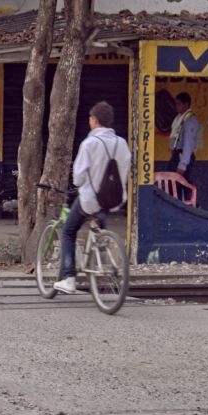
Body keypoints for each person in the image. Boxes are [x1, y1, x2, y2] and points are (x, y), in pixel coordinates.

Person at [53, 101, 132, 294]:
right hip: (114, 200)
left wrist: (84, 183)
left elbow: (79, 177)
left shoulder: (89, 143)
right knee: (98, 224)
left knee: (68, 232)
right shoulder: (122, 143)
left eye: (90, 118)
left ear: (94, 120)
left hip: (90, 200)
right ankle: (101, 254)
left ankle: (69, 278)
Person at [166, 92, 202, 195]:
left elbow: (188, 144)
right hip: (177, 155)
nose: (176, 107)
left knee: (175, 183)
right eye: (176, 104)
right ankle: (189, 205)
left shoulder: (190, 120)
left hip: (183, 157)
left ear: (186, 105)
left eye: (179, 104)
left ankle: (192, 206)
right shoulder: (179, 118)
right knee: (176, 185)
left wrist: (182, 165)